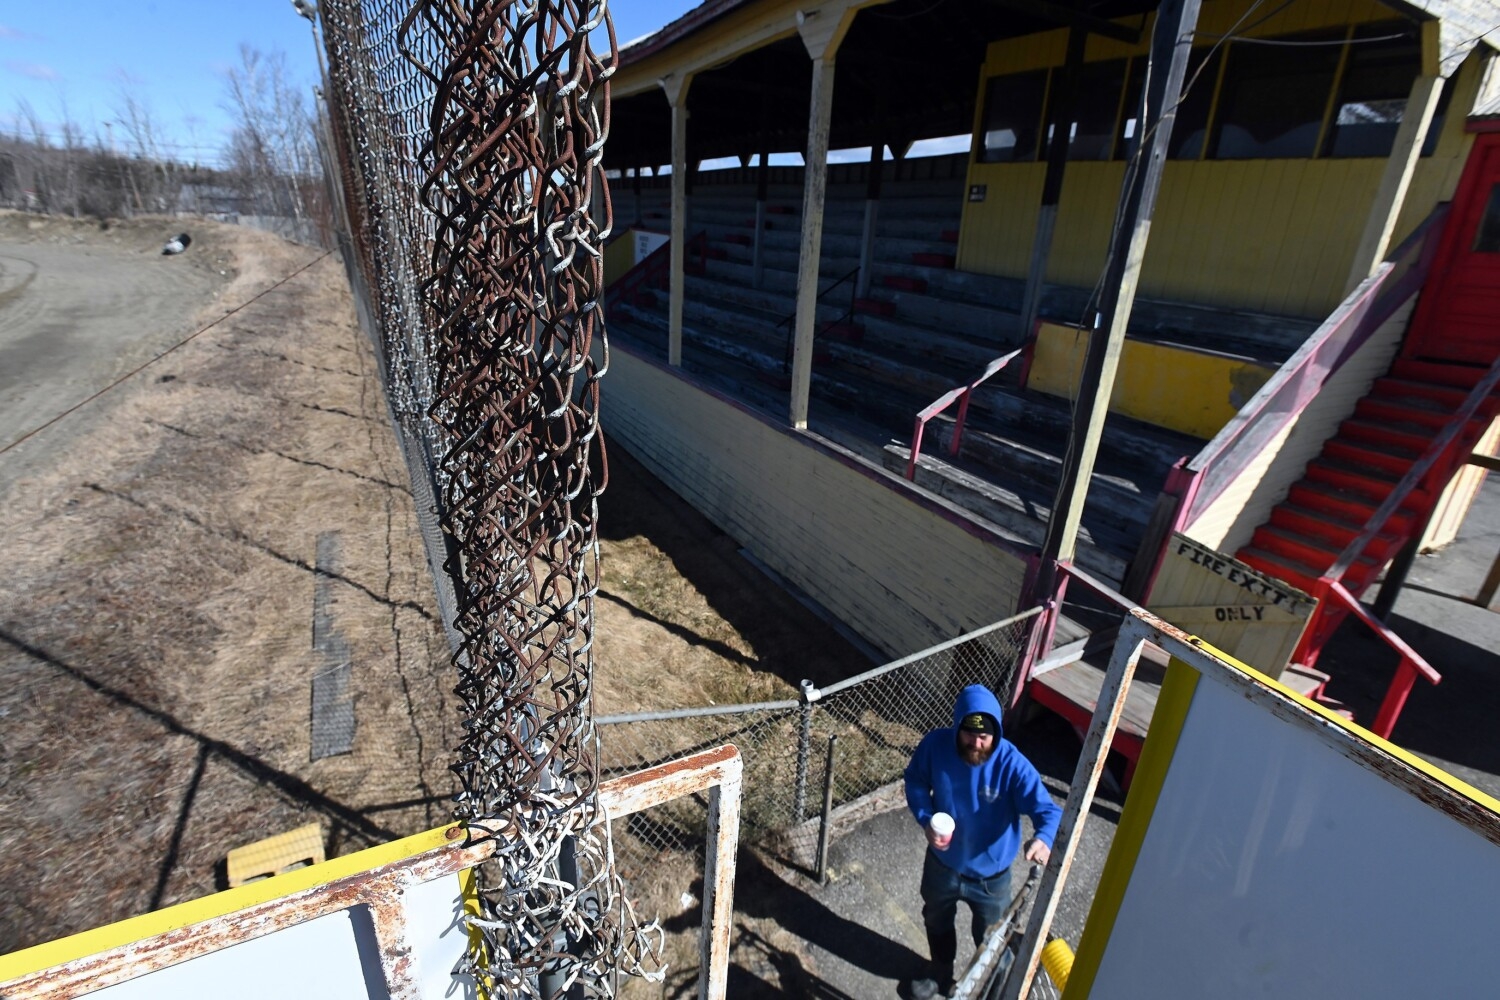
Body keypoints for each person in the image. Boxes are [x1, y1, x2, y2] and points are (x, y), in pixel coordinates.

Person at [903, 683, 1062, 998]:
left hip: (991, 879)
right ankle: (940, 972)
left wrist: (1043, 838)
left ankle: (993, 992)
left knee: (993, 942)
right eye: (969, 734)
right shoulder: (935, 745)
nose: (976, 743)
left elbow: (1049, 811)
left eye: (985, 736)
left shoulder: (1011, 764)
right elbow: (916, 781)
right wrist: (925, 818)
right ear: (956, 726)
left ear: (997, 733)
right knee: (935, 918)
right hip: (942, 865)